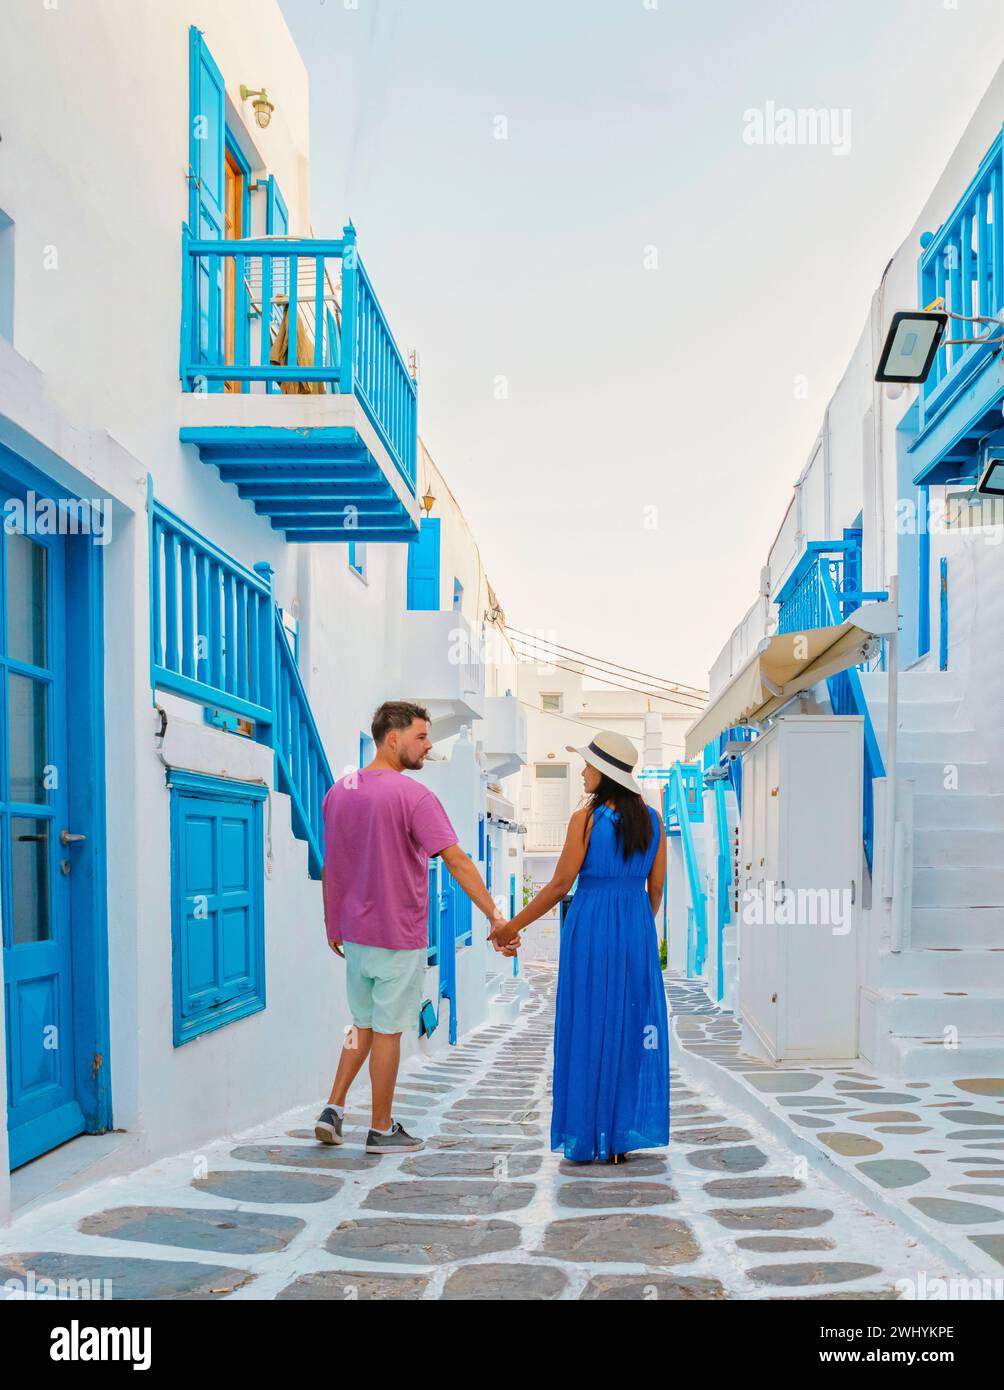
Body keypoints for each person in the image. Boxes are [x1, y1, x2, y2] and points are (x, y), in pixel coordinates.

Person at [315, 701, 507, 1154]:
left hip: (354, 935)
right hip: (397, 934)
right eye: (421, 736)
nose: (428, 745)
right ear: (392, 738)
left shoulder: (339, 791)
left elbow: (333, 865)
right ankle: (381, 1129)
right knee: (387, 1031)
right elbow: (456, 860)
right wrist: (494, 915)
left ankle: (334, 1108)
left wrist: (332, 922)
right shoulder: (414, 797)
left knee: (360, 1024)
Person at [491, 731, 669, 1164]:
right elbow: (657, 888)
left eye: (588, 766)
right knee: (630, 1029)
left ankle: (589, 1134)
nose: (583, 773)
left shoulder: (584, 821)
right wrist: (636, 926)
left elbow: (557, 886)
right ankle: (620, 1138)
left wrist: (509, 926)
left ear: (605, 774)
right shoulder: (653, 820)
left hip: (589, 928)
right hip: (636, 930)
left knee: (588, 1023)